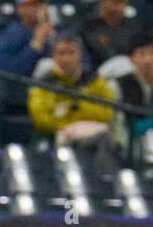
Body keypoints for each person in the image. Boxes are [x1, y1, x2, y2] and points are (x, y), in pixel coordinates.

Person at [27, 33, 117, 170]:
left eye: (71, 52)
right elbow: (41, 121)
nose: (66, 58)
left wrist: (78, 107)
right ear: (54, 56)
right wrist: (69, 122)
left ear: (79, 55)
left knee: (104, 141)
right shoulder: (43, 84)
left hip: (93, 133)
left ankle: (101, 180)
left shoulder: (95, 80)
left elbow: (107, 113)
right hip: (59, 138)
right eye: (61, 53)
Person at [112, 32, 153, 150]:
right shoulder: (118, 85)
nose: (148, 60)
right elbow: (117, 124)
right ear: (132, 58)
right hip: (129, 146)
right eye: (142, 54)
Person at [0, 0, 54, 76]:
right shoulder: (11, 35)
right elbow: (6, 71)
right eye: (33, 4)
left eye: (42, 2)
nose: (39, 7)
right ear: (20, 9)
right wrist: (35, 45)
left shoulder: (58, 31)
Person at [77, 0, 142, 71]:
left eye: (123, 2)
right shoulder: (86, 29)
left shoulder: (134, 29)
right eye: (115, 2)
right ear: (101, 0)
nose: (119, 7)